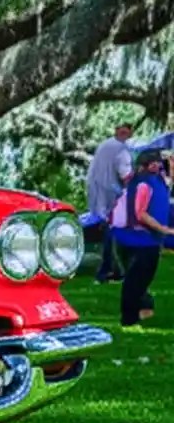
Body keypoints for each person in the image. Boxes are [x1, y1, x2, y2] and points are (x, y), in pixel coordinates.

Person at [111, 149, 172, 328]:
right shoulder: (143, 184)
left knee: (141, 278)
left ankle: (143, 310)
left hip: (142, 238)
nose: (159, 164)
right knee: (136, 280)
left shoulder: (156, 181)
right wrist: (164, 229)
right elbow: (140, 213)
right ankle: (129, 319)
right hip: (136, 239)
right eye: (156, 162)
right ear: (148, 164)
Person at [86, 123, 134, 283]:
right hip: (112, 195)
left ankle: (114, 270)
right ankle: (107, 271)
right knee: (114, 231)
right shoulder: (122, 150)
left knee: (109, 229)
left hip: (96, 192)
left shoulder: (104, 145)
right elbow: (126, 175)